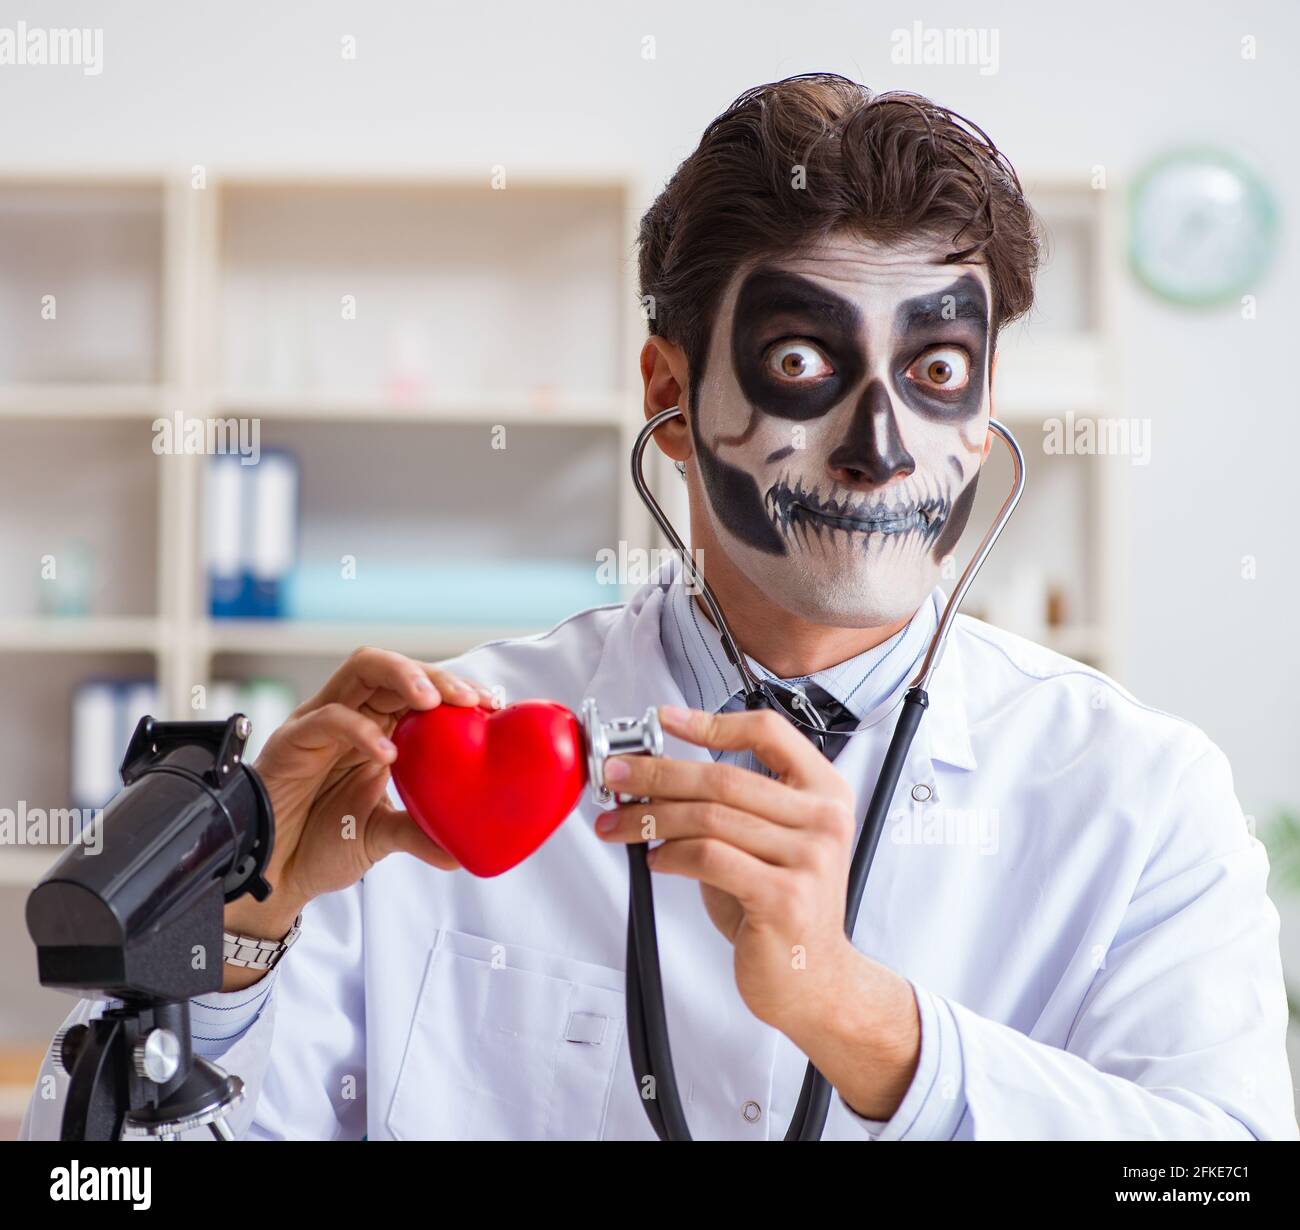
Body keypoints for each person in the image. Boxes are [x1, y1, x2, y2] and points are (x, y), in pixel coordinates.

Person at [24, 73, 1298, 1141]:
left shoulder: (1139, 798)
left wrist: (860, 1019)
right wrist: (234, 934)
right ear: (667, 395)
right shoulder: (425, 768)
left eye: (935, 370)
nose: (880, 448)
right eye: (801, 363)